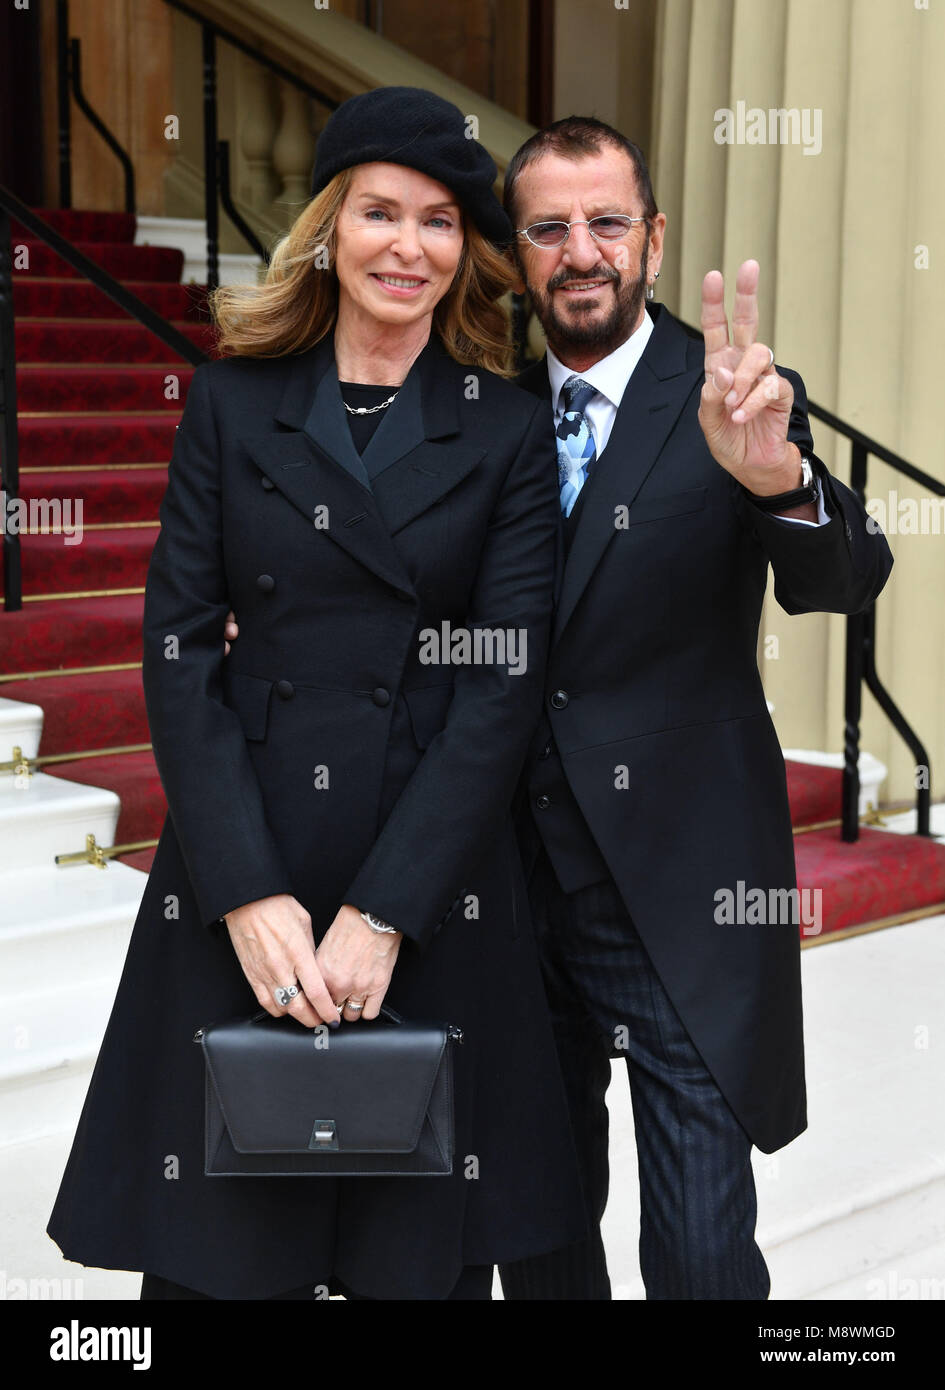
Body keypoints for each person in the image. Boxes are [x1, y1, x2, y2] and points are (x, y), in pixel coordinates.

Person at [46, 86, 586, 1302]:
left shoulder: (501, 431)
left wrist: (387, 910)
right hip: (249, 850)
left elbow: (501, 683)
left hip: (431, 874)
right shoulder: (232, 405)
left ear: (467, 253)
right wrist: (242, 893)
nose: (411, 246)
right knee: (223, 1256)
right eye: (383, 213)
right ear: (332, 230)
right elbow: (179, 650)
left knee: (412, 1259)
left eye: (442, 221)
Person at [493, 116, 894, 1299]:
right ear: (519, 255)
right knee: (539, 1241)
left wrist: (777, 477)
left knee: (704, 1257)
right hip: (511, 888)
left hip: (680, 898)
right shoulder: (488, 415)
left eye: (608, 222)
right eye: (550, 228)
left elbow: (845, 578)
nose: (581, 251)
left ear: (654, 241)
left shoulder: (733, 400)